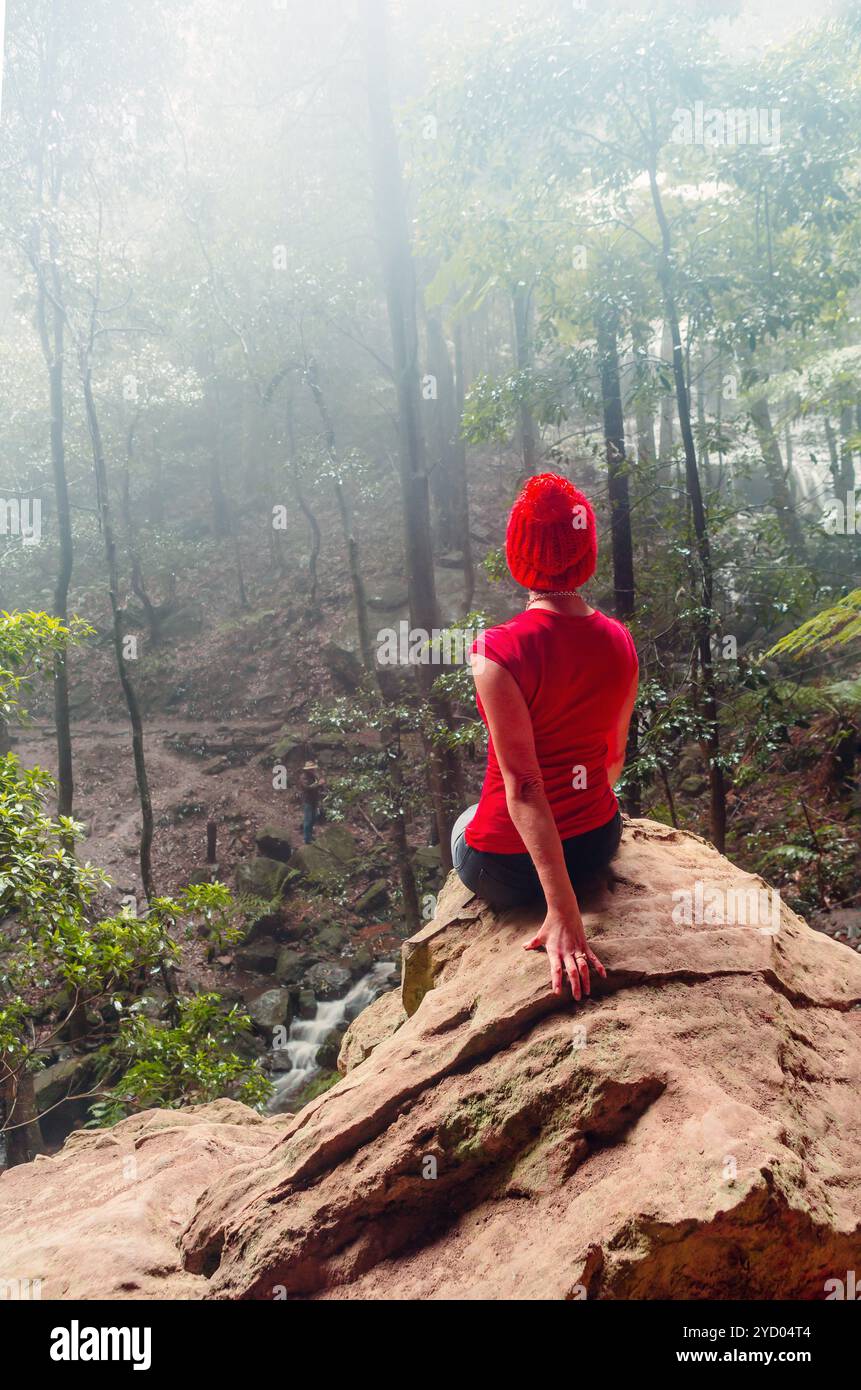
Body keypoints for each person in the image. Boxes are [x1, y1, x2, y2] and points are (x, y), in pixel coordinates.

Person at [452, 472, 638, 1003]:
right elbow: (613, 758)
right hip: (596, 842)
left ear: (518, 556)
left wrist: (563, 912)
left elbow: (527, 786)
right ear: (588, 555)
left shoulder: (498, 652)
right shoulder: (619, 641)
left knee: (463, 821)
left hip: (506, 869)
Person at [299, 760, 323, 844]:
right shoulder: (304, 777)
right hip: (307, 801)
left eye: (313, 769)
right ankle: (306, 839)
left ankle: (310, 835)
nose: (313, 770)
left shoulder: (314, 776)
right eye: (311, 769)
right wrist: (318, 784)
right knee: (308, 820)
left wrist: (321, 784)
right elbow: (307, 788)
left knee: (314, 818)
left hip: (314, 800)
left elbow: (318, 786)